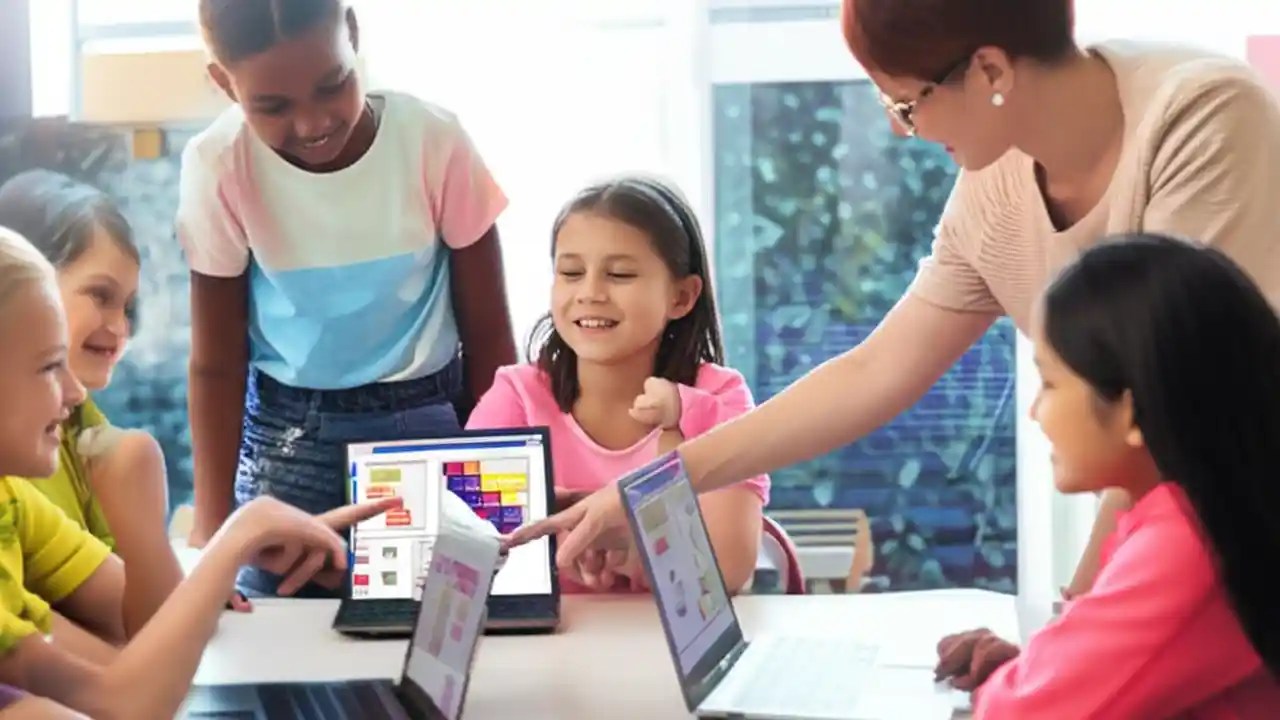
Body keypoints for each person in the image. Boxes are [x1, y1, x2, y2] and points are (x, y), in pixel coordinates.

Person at [508, 0, 1280, 594]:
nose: (904, 131)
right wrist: (649, 488)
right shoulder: (994, 185)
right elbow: (874, 373)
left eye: (908, 103)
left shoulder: (1199, 118)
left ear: (990, 72)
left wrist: (1074, 627)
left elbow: (1176, 421)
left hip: (1238, 534)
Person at [179, 0, 516, 597]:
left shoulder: (433, 139)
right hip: (289, 440)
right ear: (224, 84)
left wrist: (509, 480)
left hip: (428, 427)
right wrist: (210, 532)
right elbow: (215, 362)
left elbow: (490, 339)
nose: (311, 124)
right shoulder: (218, 164)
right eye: (272, 106)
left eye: (332, 84)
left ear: (353, 34)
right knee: (275, 647)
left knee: (443, 635)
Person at [0, 225, 396, 719]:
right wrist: (235, 537)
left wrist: (239, 546)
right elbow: (122, 704)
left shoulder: (9, 500)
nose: (75, 392)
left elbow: (145, 654)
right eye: (47, 367)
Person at [933, 234, 1280, 716]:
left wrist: (1027, 684)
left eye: (1051, 383)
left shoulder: (1185, 545)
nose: (1035, 412)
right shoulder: (1205, 513)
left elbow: (1017, 715)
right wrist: (1035, 668)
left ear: (1131, 411)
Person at [467, 176, 768, 592]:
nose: (590, 292)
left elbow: (728, 570)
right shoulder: (516, 397)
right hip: (548, 648)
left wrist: (634, 540)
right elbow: (463, 552)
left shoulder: (718, 399)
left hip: (666, 647)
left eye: (620, 275)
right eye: (571, 272)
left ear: (682, 297)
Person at [0, 171, 252, 655]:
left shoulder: (78, 427)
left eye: (128, 308)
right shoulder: (20, 460)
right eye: (100, 295)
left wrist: (197, 589)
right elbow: (119, 673)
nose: (119, 328)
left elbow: (149, 617)